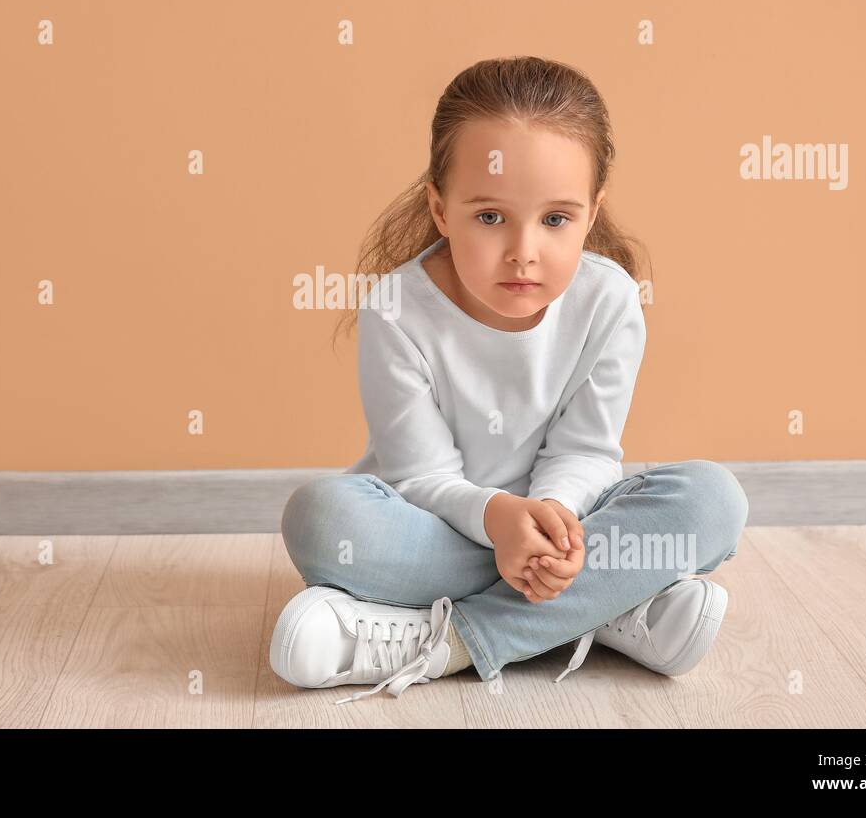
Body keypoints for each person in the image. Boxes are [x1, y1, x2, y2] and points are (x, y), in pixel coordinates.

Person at [270, 56, 749, 704]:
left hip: (569, 518)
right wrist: (500, 523)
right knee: (321, 519)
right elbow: (421, 476)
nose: (525, 250)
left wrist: (548, 519)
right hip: (434, 526)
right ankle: (602, 603)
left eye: (556, 220)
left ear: (591, 211)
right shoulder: (395, 308)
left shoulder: (609, 301)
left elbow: (583, 452)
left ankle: (452, 643)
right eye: (490, 217)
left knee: (714, 501)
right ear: (441, 210)